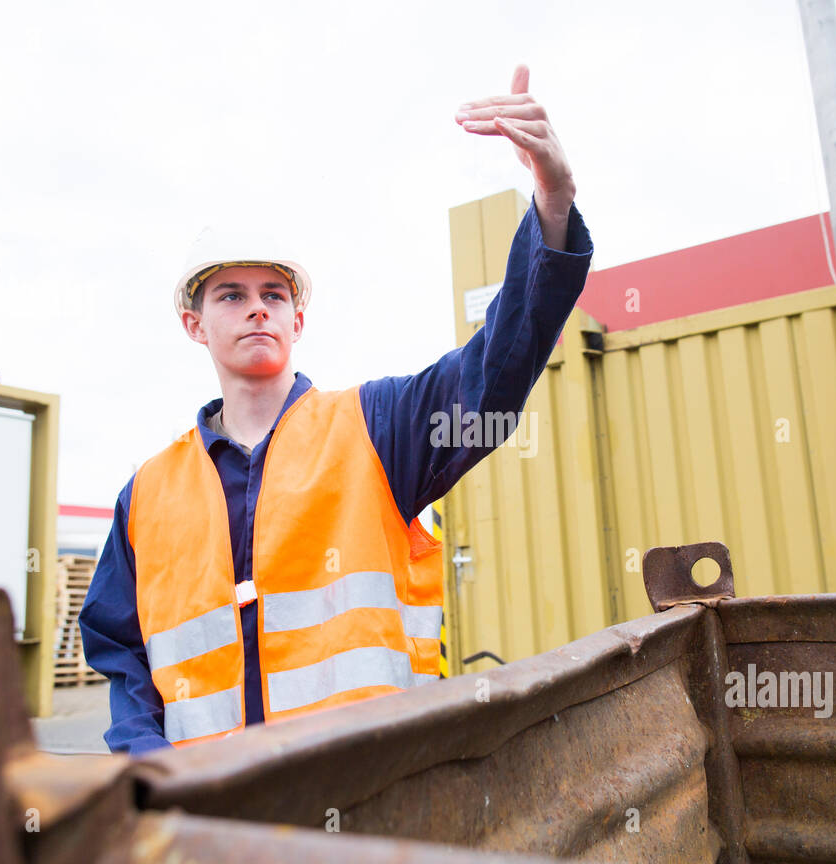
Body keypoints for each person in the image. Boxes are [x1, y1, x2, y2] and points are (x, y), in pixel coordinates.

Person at [80, 65, 593, 754]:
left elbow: (494, 375)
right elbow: (121, 649)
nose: (257, 305)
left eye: (274, 292)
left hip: (369, 801)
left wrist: (553, 205)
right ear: (194, 325)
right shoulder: (146, 494)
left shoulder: (378, 429)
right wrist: (151, 776)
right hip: (212, 824)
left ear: (298, 318)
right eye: (230, 294)